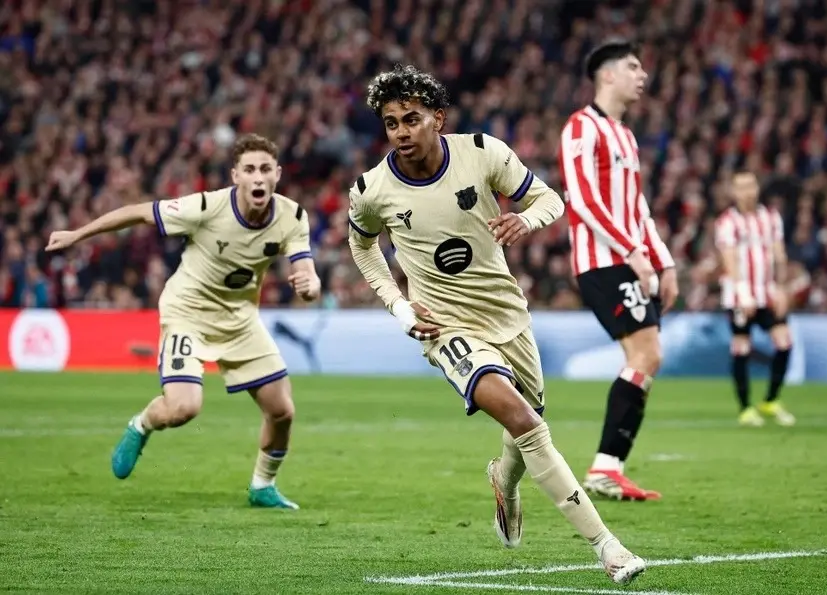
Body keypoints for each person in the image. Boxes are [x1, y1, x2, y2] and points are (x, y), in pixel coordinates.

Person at [348, 63, 645, 585]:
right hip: (446, 328)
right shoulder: (372, 189)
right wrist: (398, 305)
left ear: (438, 118)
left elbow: (550, 199)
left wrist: (524, 219)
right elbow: (363, 246)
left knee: (526, 422)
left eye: (411, 119)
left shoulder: (483, 152)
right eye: (391, 123)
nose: (401, 132)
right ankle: (608, 547)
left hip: (508, 315)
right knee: (526, 422)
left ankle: (503, 481)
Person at [45, 134, 320, 509]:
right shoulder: (206, 206)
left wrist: (311, 286)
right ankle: (142, 424)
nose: (258, 177)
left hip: (240, 320)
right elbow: (140, 212)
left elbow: (307, 273)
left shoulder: (293, 216)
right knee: (183, 409)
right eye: (250, 169)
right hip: (187, 313)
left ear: (278, 174)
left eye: (265, 169)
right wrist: (78, 234)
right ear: (236, 175)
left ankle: (262, 486)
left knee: (282, 411)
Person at [558, 40, 677, 502]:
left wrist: (663, 260)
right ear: (607, 75)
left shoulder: (625, 135)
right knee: (647, 354)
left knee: (646, 358)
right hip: (603, 261)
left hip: (629, 259)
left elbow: (638, 208)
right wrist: (633, 252)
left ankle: (609, 468)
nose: (642, 75)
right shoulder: (581, 127)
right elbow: (583, 200)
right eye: (633, 67)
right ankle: (605, 467)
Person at [715, 170, 795, 427]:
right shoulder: (727, 222)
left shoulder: (770, 218)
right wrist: (743, 293)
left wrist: (781, 289)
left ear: (757, 188)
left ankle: (770, 400)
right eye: (741, 187)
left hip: (767, 293)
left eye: (750, 185)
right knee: (742, 346)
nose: (746, 192)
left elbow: (779, 255)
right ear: (733, 192)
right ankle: (745, 408)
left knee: (784, 342)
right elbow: (729, 259)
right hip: (740, 296)